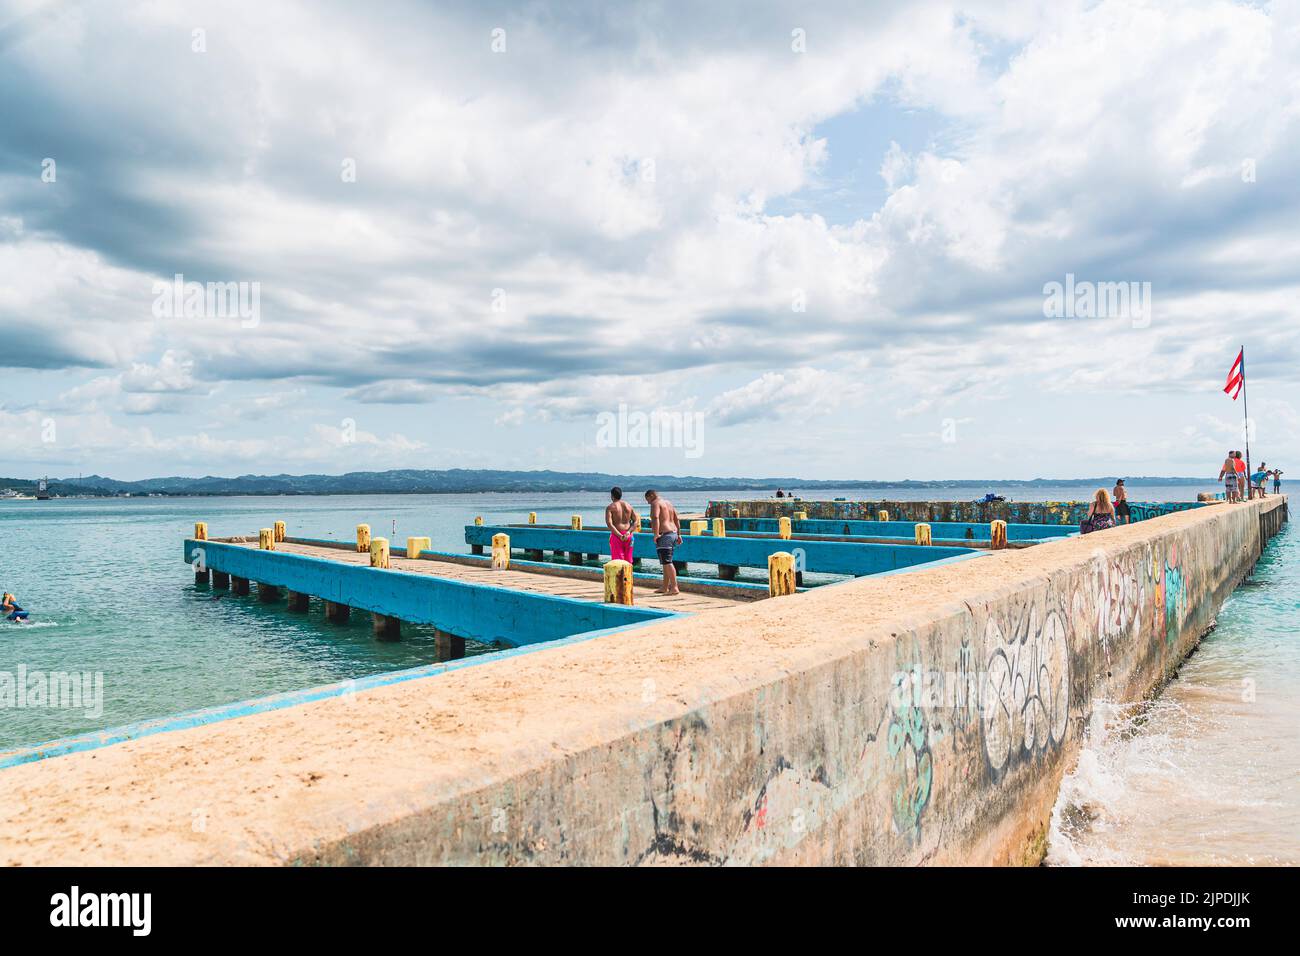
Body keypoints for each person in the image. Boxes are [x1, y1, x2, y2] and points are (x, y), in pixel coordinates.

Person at [644, 489, 682, 595]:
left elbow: (655, 518)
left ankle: (674, 587)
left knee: (667, 562)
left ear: (651, 495)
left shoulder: (655, 503)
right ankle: (665, 587)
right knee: (665, 562)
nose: (648, 503)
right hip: (673, 533)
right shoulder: (668, 503)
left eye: (647, 500)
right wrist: (679, 534)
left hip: (664, 535)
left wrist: (656, 534)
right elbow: (676, 519)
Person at [604, 486, 638, 564]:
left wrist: (620, 536)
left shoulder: (610, 507)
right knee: (629, 560)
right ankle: (628, 576)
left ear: (612, 496)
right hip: (629, 536)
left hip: (617, 536)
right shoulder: (629, 506)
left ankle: (620, 576)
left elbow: (609, 524)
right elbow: (636, 521)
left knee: (618, 561)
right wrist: (628, 532)